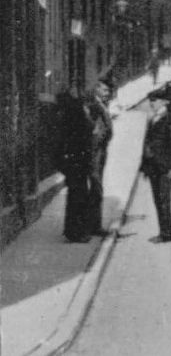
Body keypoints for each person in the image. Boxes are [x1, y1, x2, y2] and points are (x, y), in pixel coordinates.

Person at [141, 90, 171, 242]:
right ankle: (163, 230)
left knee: (164, 201)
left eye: (155, 100)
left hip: (165, 168)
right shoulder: (154, 118)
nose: (152, 103)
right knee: (158, 200)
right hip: (153, 167)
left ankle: (167, 233)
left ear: (164, 102)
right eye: (151, 100)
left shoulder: (170, 119)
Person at [57, 88, 94, 243]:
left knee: (75, 196)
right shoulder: (77, 117)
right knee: (78, 197)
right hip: (78, 162)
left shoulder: (66, 117)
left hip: (73, 163)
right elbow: (86, 133)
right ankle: (75, 232)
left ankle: (73, 230)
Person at [87, 83, 115, 236]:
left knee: (97, 189)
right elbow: (93, 130)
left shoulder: (102, 105)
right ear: (96, 89)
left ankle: (94, 225)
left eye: (108, 90)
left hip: (101, 151)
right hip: (95, 152)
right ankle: (94, 226)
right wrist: (99, 140)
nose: (107, 92)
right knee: (96, 189)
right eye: (104, 90)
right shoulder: (94, 107)